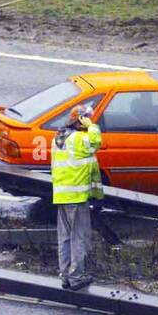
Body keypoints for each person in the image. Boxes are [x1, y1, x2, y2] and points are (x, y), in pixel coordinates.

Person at [50, 102, 103, 291]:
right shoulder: (80, 139)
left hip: (61, 195)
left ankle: (65, 275)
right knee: (79, 237)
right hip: (76, 196)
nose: (92, 120)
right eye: (88, 118)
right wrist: (92, 126)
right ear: (81, 120)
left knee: (64, 237)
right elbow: (96, 142)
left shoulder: (59, 137)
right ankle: (76, 277)